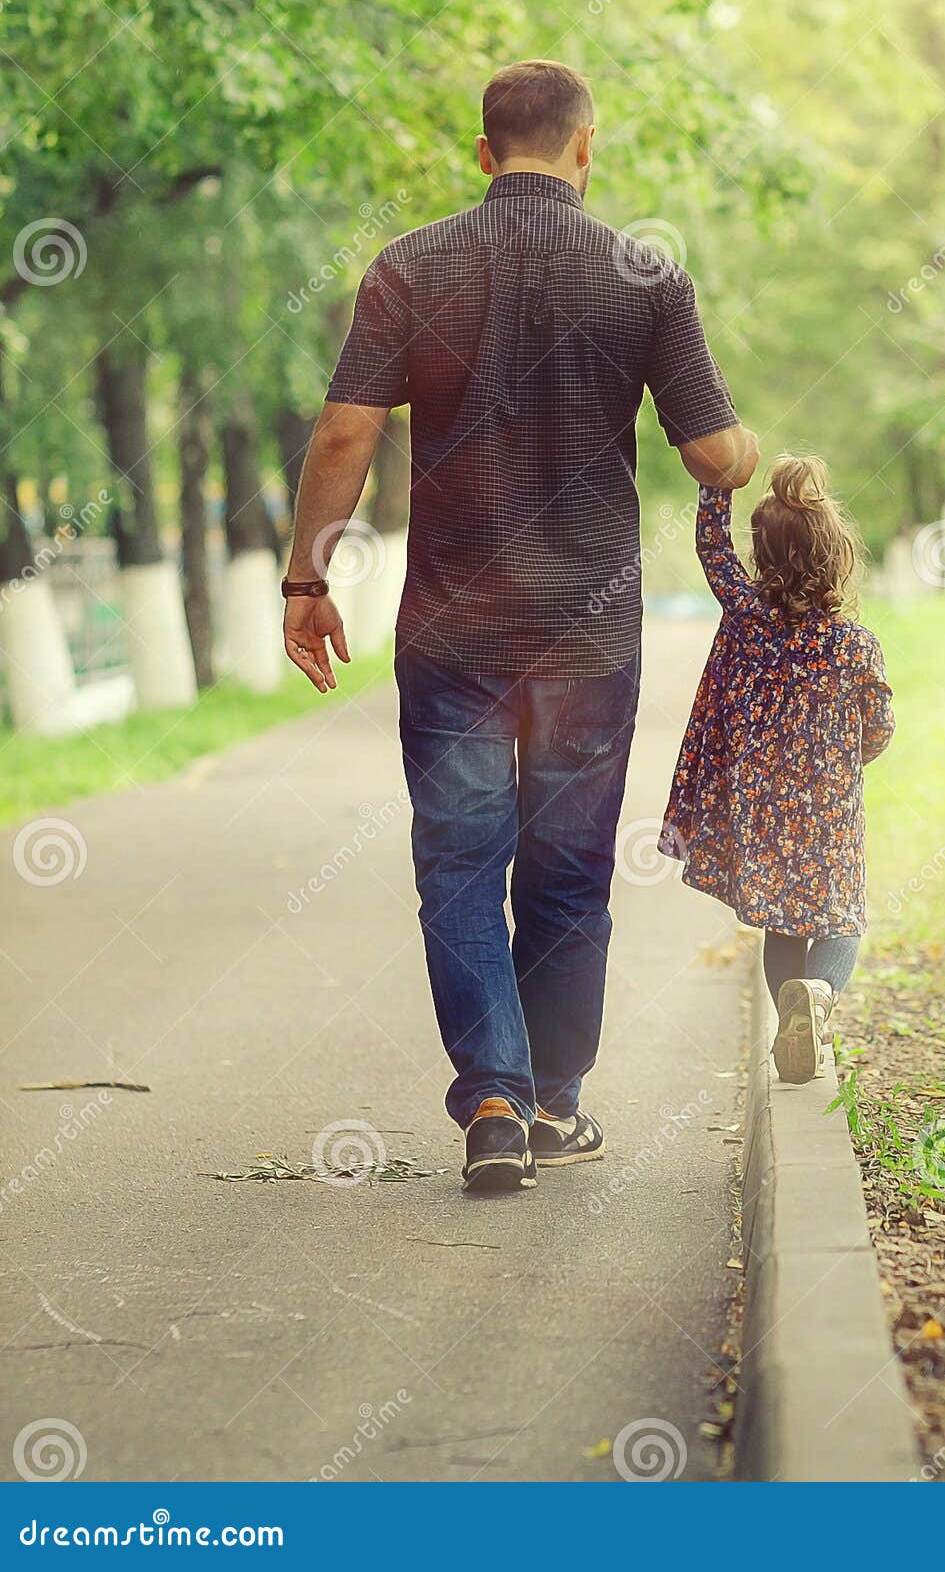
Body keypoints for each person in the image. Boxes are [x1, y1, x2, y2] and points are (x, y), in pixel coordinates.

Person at [280, 60, 758, 1192]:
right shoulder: (645, 274)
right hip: (588, 635)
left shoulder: (407, 268)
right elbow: (711, 453)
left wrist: (306, 579)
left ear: (484, 153)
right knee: (567, 868)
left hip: (453, 633)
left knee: (456, 864)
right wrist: (743, 455)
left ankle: (491, 1096)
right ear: (585, 150)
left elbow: (345, 435)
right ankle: (553, 1100)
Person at [660, 456, 894, 1083]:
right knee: (842, 920)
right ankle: (817, 1000)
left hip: (761, 811)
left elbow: (711, 542)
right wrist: (846, 759)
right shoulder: (854, 643)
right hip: (829, 810)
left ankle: (793, 1014)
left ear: (761, 556)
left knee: (780, 925)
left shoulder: (746, 618)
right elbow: (879, 730)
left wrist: (718, 469)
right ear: (836, 555)